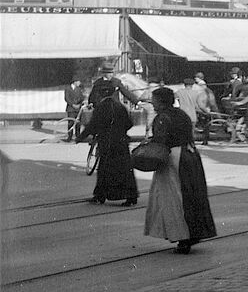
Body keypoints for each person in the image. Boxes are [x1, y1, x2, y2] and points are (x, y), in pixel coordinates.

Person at [143, 87, 217, 254]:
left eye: (154, 100)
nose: (152, 103)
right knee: (192, 195)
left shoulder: (162, 118)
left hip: (174, 160)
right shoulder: (181, 114)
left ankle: (183, 238)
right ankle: (194, 233)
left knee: (174, 200)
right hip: (190, 155)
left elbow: (161, 141)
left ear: (161, 101)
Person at [76, 95, 139, 206]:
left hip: (106, 143)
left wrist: (81, 137)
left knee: (104, 170)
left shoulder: (101, 107)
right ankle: (131, 196)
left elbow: (92, 125)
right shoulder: (120, 106)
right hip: (121, 142)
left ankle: (100, 195)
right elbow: (129, 123)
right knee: (125, 170)